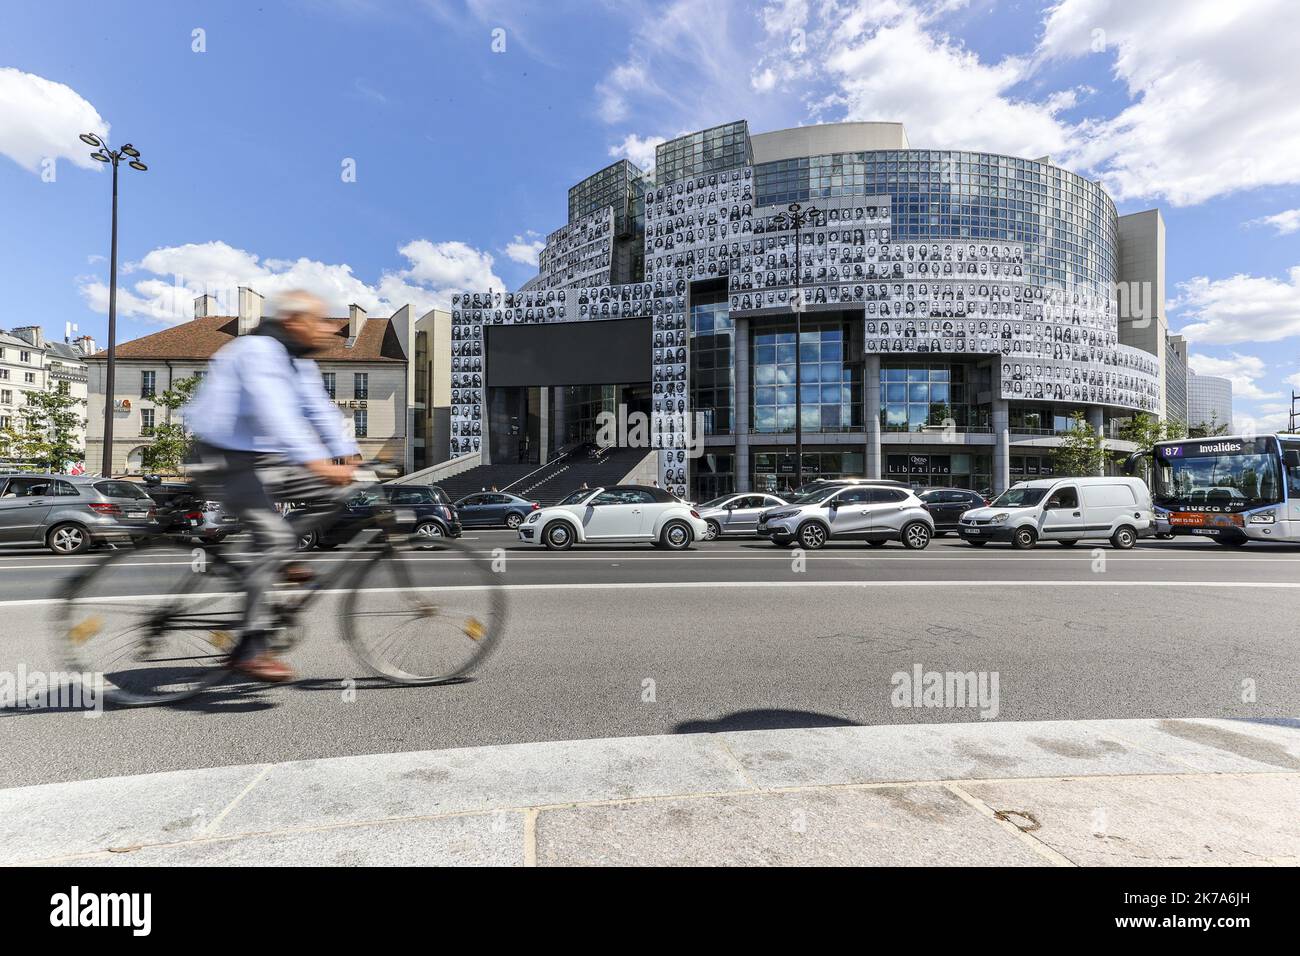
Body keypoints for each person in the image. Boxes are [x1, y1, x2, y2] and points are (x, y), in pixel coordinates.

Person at [187, 290, 359, 682]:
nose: (330, 328)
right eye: (320, 320)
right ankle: (250, 648)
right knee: (274, 540)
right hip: (222, 457)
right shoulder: (258, 352)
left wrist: (349, 455)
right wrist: (318, 462)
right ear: (294, 322)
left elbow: (319, 408)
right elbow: (275, 414)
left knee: (337, 493)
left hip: (262, 458)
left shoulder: (300, 362)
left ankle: (275, 557)